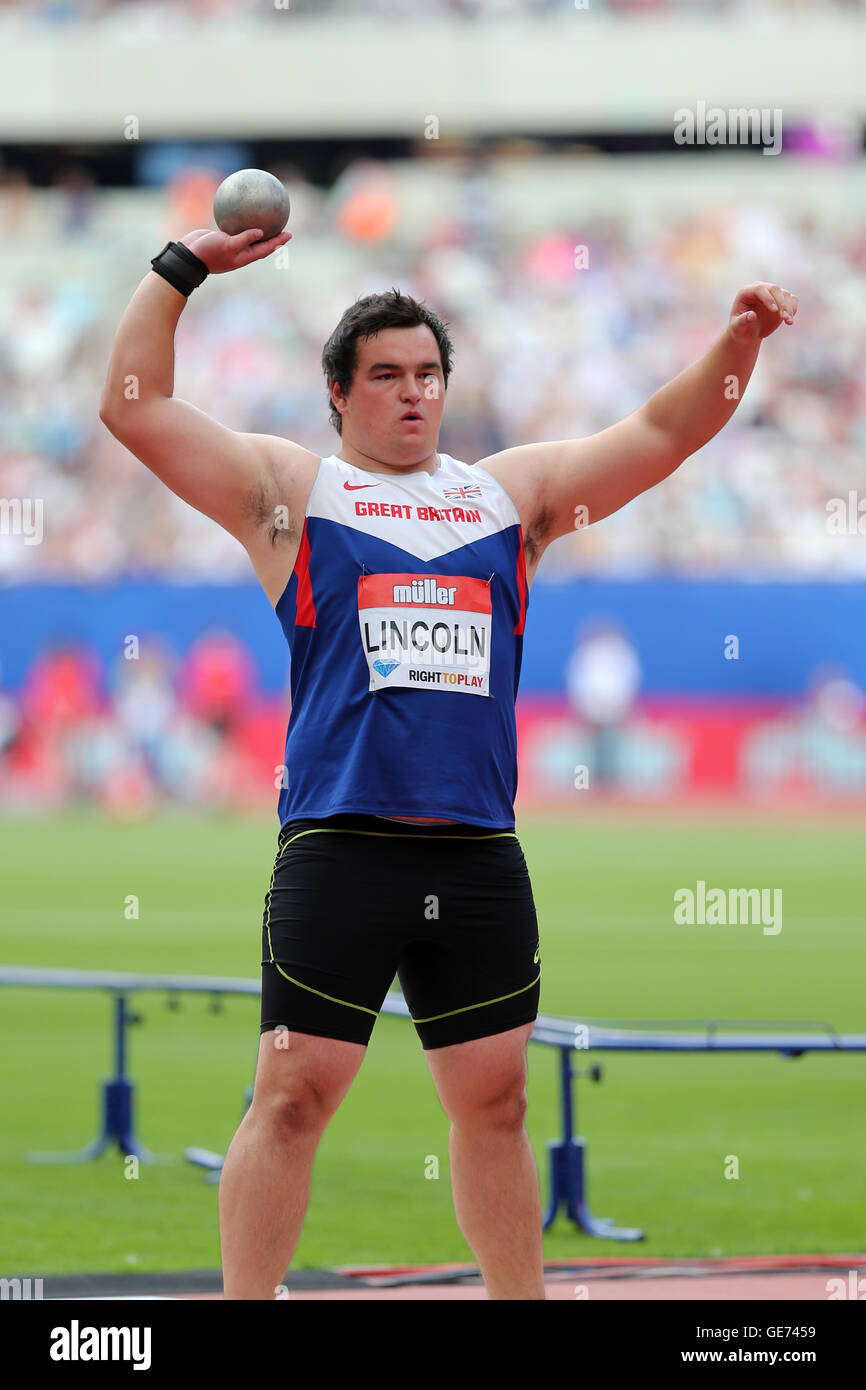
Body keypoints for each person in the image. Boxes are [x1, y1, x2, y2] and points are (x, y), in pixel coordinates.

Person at [99, 220, 797, 1300]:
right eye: (385, 375)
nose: (412, 393)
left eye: (426, 373)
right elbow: (133, 405)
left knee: (496, 1106)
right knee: (288, 1098)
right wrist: (181, 268)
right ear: (338, 393)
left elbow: (664, 430)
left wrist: (736, 342)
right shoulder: (293, 493)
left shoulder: (505, 498)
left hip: (475, 856)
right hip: (340, 845)